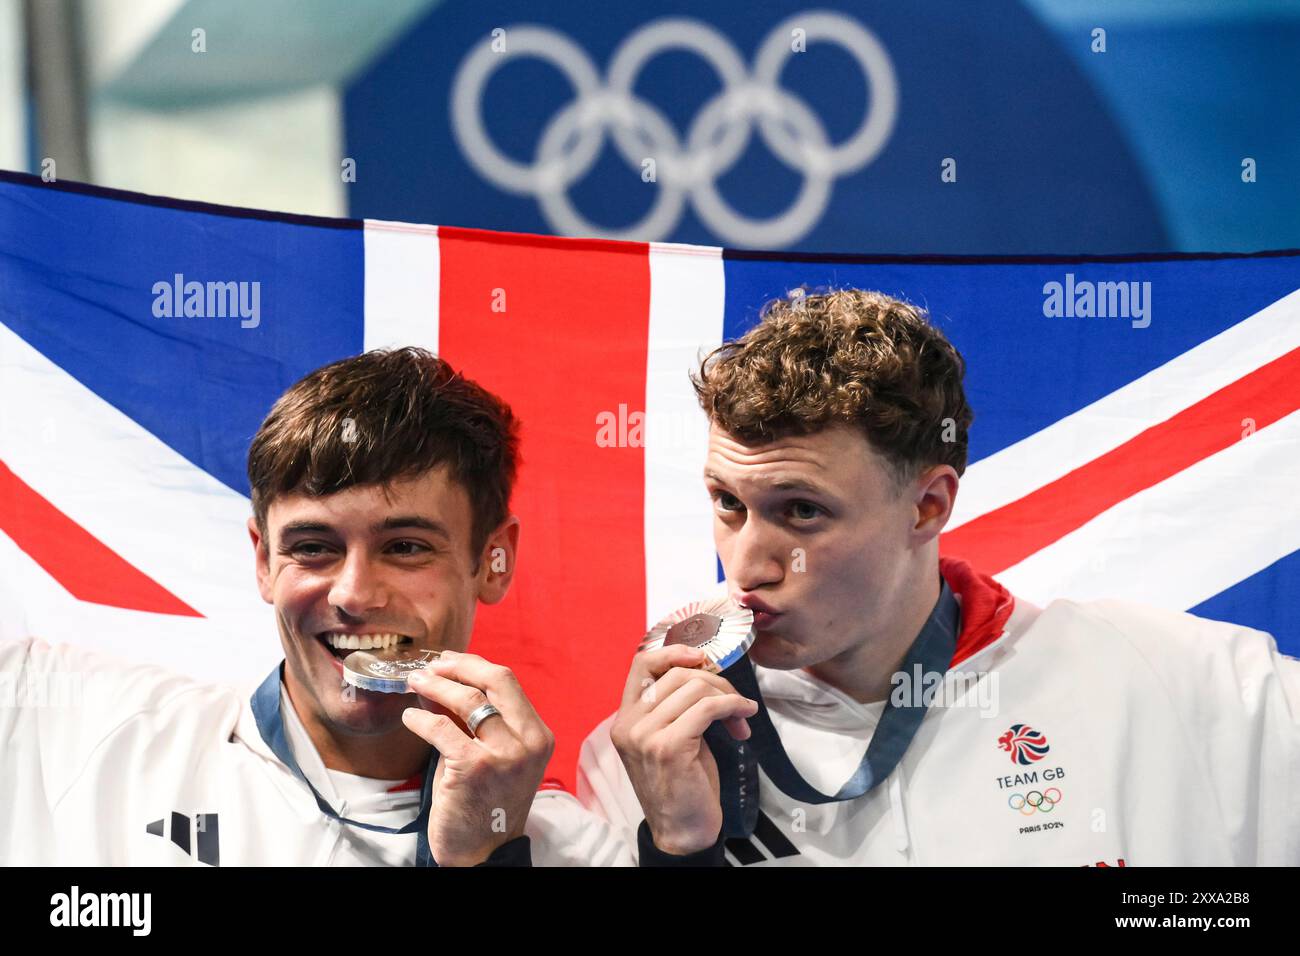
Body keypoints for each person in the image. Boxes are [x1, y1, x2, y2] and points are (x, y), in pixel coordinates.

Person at [577, 288, 1300, 866]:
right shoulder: (643, 754)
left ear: (927, 506)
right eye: (729, 503)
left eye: (801, 511)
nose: (748, 566)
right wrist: (677, 853)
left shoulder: (1191, 686)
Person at [0, 347, 631, 866]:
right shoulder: (65, 724)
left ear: (492, 560)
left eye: (405, 547)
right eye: (312, 547)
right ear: (263, 561)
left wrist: (482, 860)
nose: (354, 594)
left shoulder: (569, 851)